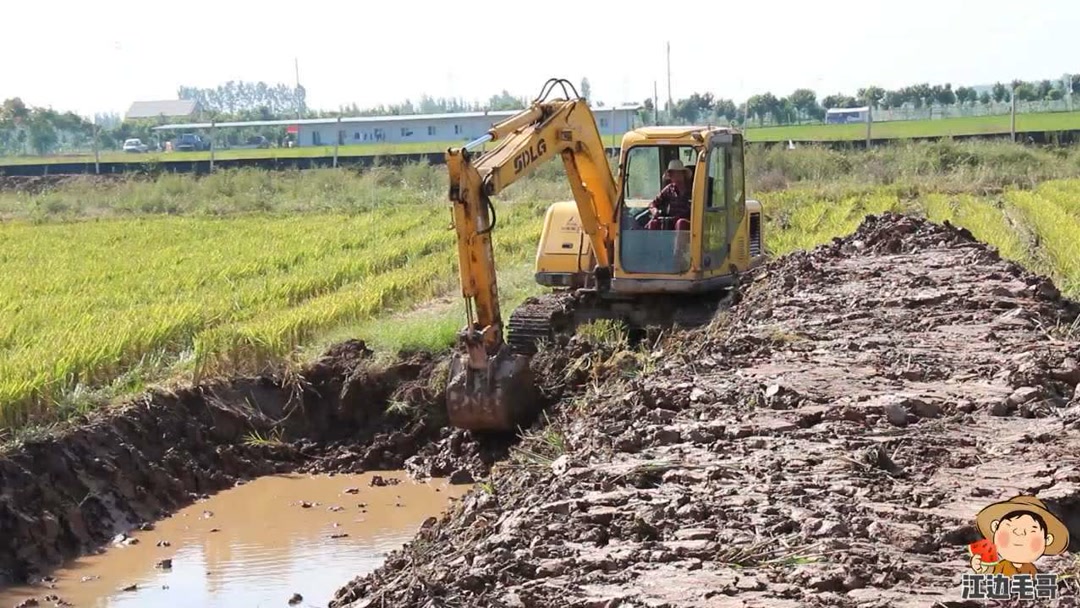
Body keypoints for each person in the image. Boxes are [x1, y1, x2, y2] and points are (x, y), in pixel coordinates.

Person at [644, 159, 692, 230]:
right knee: (653, 223)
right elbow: (653, 203)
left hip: (689, 224)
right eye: (673, 174)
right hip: (670, 222)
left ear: (683, 174)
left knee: (680, 223)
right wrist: (654, 210)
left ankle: (678, 241)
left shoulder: (692, 190)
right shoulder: (669, 189)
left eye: (678, 174)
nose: (676, 177)